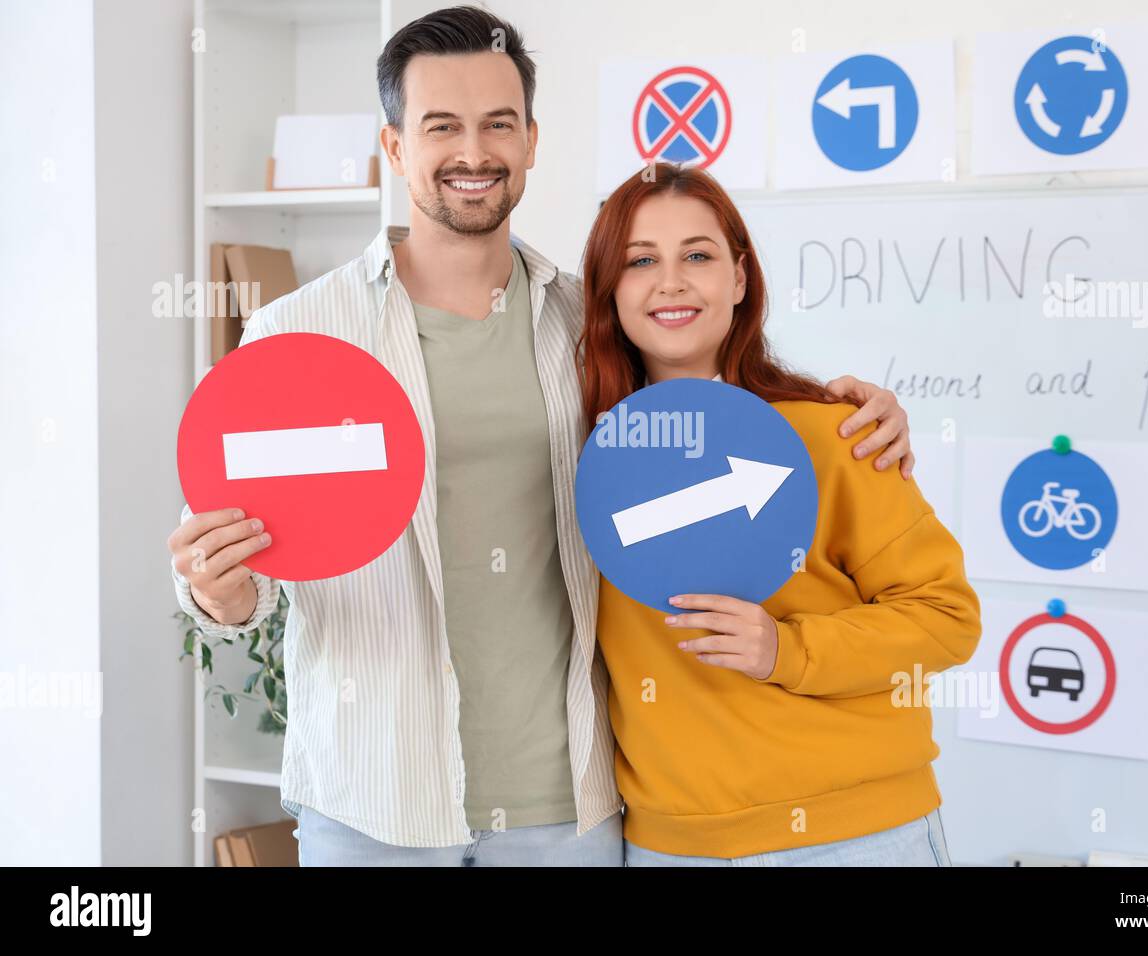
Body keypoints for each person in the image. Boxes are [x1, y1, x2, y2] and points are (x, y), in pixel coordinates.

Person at [166, 7, 914, 867]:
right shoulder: (296, 334)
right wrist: (219, 594)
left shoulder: (592, 326)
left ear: (530, 142)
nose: (473, 152)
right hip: (373, 799)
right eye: (441, 126)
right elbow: (239, 557)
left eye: (498, 124)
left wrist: (844, 405)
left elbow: (712, 399)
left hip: (567, 804)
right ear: (397, 147)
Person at [578, 162, 982, 866]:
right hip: (671, 847)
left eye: (697, 256)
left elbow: (947, 618)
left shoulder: (836, 436)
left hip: (853, 837)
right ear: (610, 290)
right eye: (641, 261)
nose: (670, 281)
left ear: (739, 279)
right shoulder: (584, 459)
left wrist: (785, 651)